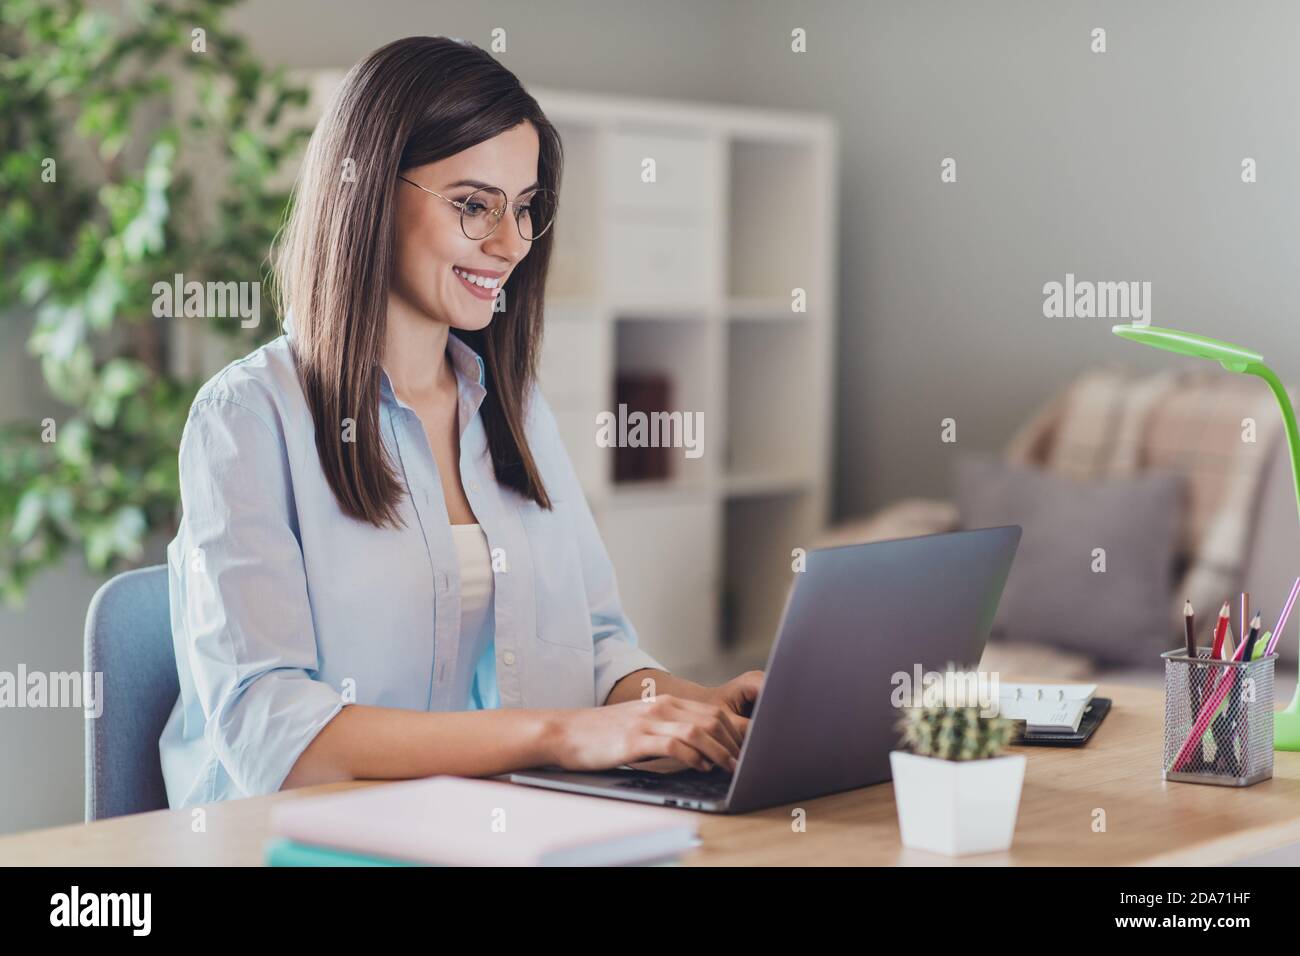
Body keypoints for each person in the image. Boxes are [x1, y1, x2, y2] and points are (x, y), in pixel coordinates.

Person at [159, 36, 762, 807]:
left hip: (481, 825)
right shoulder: (245, 420)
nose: (510, 244)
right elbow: (275, 735)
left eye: (524, 208)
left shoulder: (514, 407)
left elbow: (599, 646)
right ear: (369, 190)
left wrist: (693, 709)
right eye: (473, 205)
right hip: (289, 844)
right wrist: (561, 736)